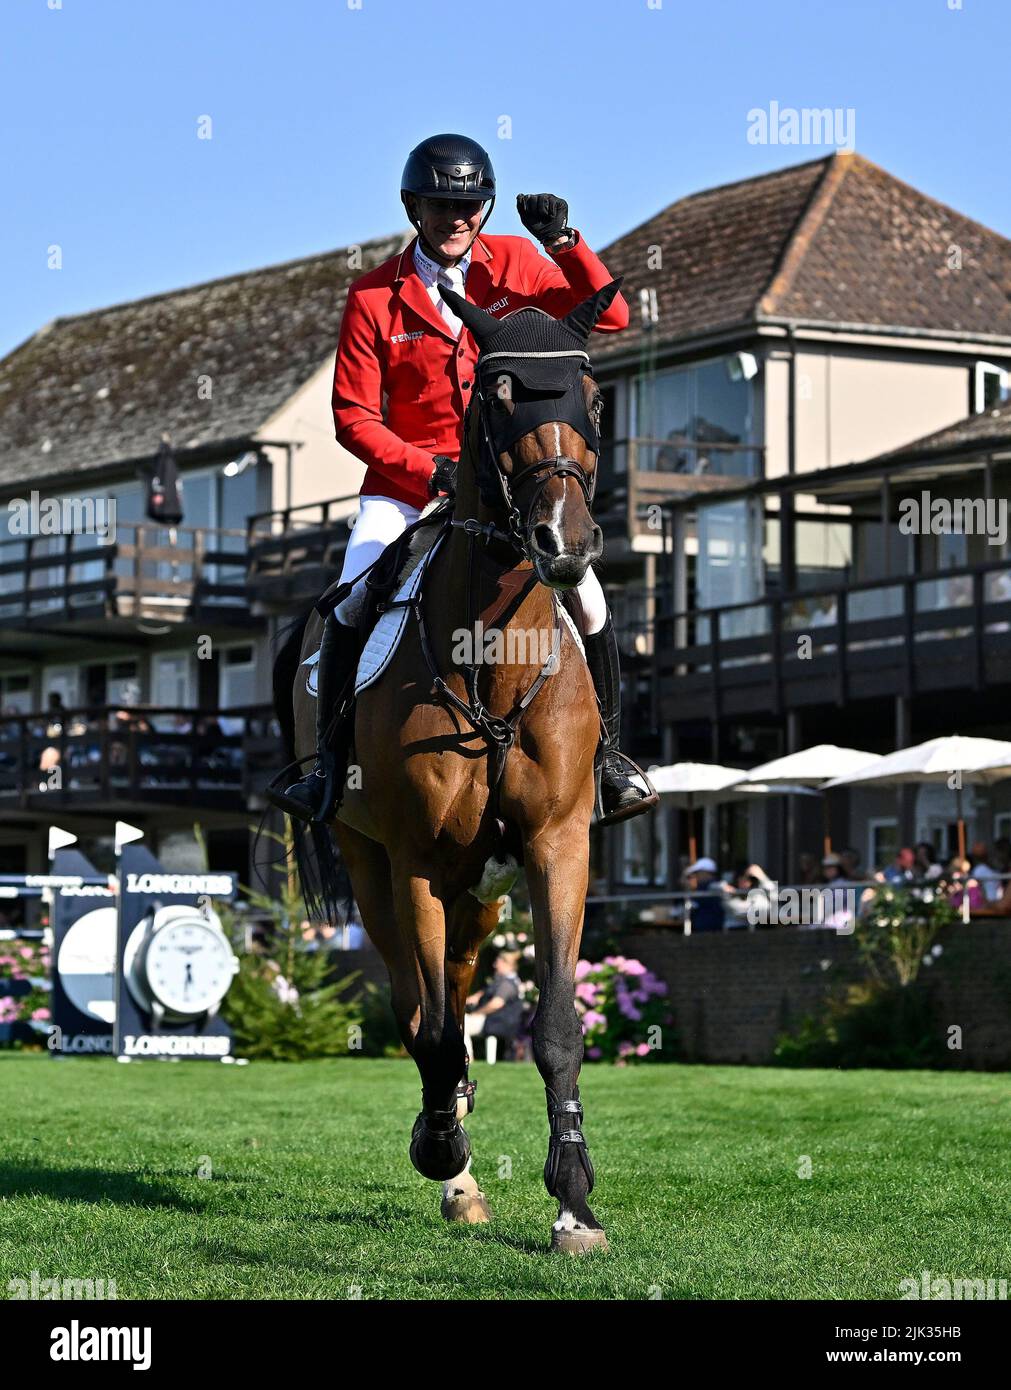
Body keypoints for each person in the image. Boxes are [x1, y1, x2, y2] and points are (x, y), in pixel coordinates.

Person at [269, 133, 653, 828]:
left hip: (509, 490)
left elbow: (613, 316)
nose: (458, 219)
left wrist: (565, 242)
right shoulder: (372, 297)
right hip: (404, 489)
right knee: (348, 607)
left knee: (590, 607)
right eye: (443, 205)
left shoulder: (513, 263)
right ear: (415, 207)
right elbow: (353, 418)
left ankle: (609, 764)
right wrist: (431, 470)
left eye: (471, 204)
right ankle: (327, 770)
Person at [464, 948, 524, 1060]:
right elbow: (478, 996)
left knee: (462, 1025)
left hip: (499, 1022)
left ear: (507, 964)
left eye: (498, 962)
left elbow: (496, 1003)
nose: (495, 965)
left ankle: (468, 1057)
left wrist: (477, 1013)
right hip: (493, 1020)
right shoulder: (500, 981)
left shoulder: (507, 984)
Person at [682, 856, 725, 932]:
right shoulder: (704, 886)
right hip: (705, 925)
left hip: (709, 927)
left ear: (706, 873)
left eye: (699, 873)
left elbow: (693, 904)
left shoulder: (713, 886)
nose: (697, 876)